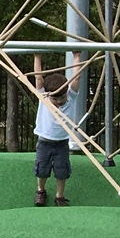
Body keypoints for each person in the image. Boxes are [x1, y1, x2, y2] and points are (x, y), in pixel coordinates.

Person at [30, 54, 85, 207]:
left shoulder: (71, 97)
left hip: (62, 143)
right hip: (44, 141)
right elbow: (38, 78)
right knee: (42, 168)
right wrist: (37, 56)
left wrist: (77, 56)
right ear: (49, 95)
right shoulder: (44, 97)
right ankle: (41, 190)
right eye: (55, 99)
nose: (60, 102)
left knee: (62, 170)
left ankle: (60, 196)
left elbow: (76, 78)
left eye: (62, 98)